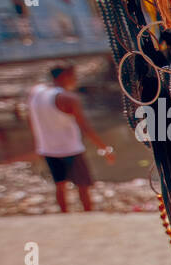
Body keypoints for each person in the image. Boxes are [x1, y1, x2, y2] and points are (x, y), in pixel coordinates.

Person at [27, 64, 113, 212]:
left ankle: (64, 214)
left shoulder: (36, 92)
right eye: (73, 76)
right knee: (83, 186)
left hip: (47, 148)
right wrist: (104, 148)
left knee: (59, 185)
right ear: (65, 76)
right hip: (71, 148)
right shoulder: (69, 98)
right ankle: (88, 215)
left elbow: (31, 119)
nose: (75, 79)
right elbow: (85, 127)